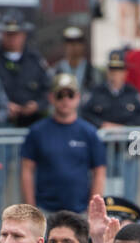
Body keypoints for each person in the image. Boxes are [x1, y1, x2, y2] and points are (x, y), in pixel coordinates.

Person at [20, 73, 106, 214]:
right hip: (45, 209)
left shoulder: (89, 133)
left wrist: (93, 209)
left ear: (78, 98)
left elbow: (99, 172)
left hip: (80, 211)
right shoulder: (37, 131)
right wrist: (32, 210)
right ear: (51, 98)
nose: (65, 100)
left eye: (70, 95)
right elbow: (26, 170)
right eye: (60, 95)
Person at [81, 49, 140, 202]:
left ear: (125, 72)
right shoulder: (96, 92)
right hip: (104, 148)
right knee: (105, 185)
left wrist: (123, 129)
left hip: (131, 147)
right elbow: (85, 114)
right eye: (112, 69)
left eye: (119, 70)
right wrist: (103, 125)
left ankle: (130, 216)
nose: (115, 74)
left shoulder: (133, 92)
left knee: (130, 185)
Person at [0, 18, 51, 129]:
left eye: (16, 34)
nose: (12, 38)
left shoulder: (35, 60)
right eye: (9, 34)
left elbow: (48, 89)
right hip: (2, 124)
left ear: (23, 35)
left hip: (32, 122)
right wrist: (4, 106)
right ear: (2, 35)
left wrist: (37, 105)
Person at [51, 25, 103, 92]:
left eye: (78, 42)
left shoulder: (92, 71)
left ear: (83, 45)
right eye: (69, 42)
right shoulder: (55, 71)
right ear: (64, 46)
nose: (74, 46)